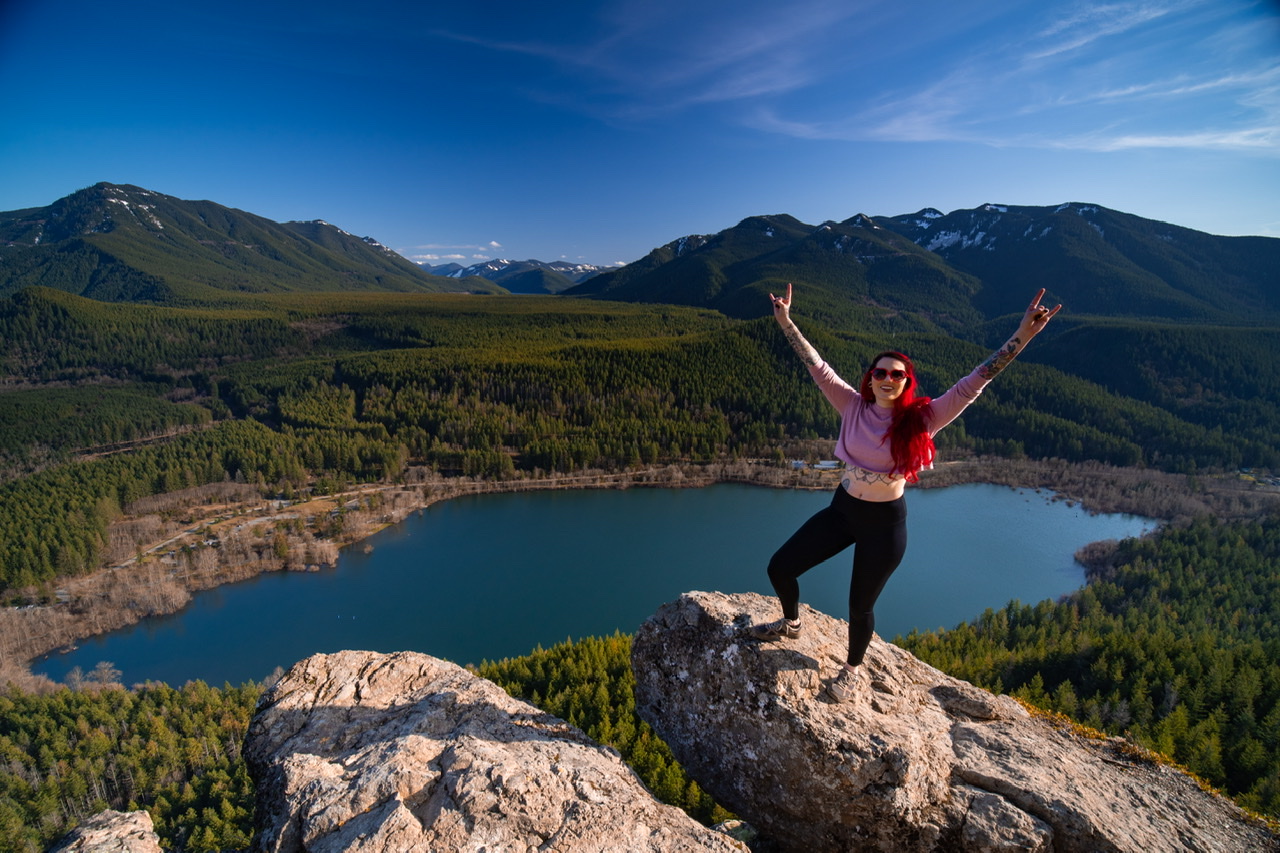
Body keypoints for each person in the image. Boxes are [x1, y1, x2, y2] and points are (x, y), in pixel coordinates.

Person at [750, 283, 1062, 702]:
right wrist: (786, 321)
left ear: (906, 381)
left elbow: (976, 381)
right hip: (842, 512)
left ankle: (853, 670)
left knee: (859, 606)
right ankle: (791, 624)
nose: (887, 379)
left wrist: (1022, 335)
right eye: (880, 372)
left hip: (884, 525)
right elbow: (815, 363)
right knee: (780, 567)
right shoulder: (852, 406)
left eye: (897, 374)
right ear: (870, 378)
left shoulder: (924, 418)